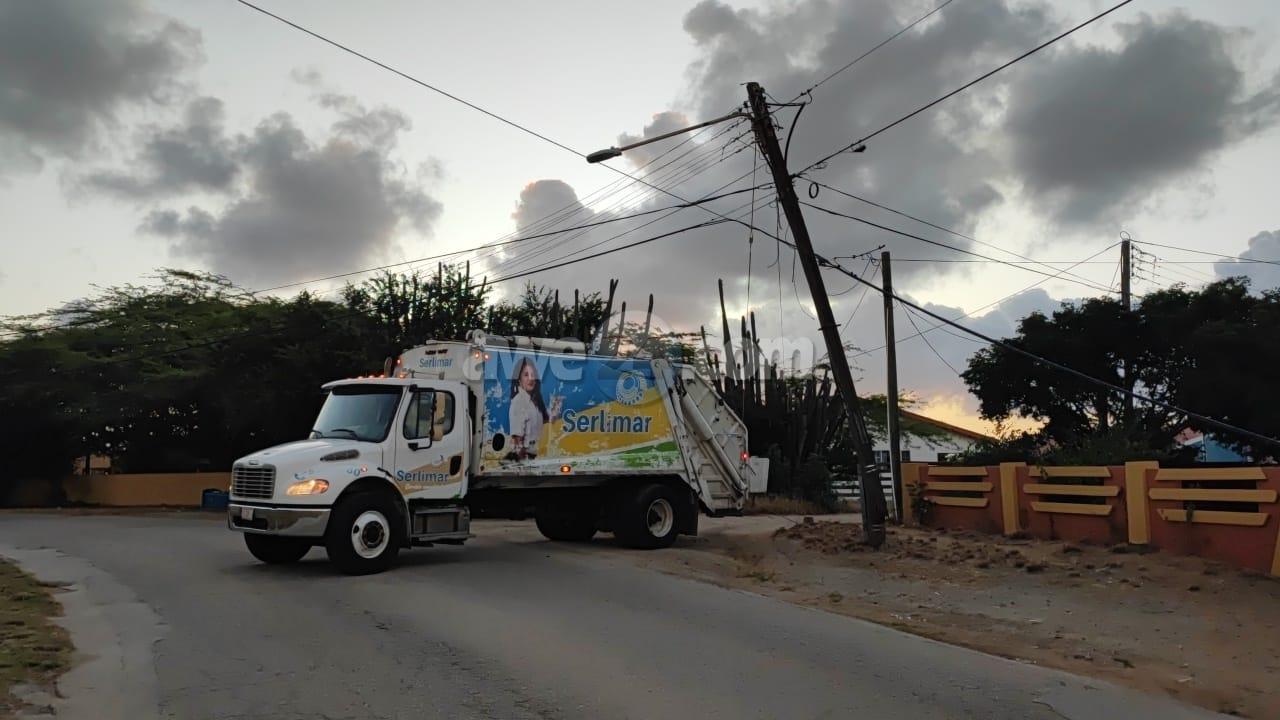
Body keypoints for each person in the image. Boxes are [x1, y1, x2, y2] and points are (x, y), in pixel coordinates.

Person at [508, 357, 561, 460]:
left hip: (539, 454)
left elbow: (545, 424)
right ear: (519, 379)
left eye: (533, 375)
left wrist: (555, 409)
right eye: (526, 375)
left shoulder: (534, 401)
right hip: (528, 457)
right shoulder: (519, 402)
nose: (531, 378)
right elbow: (517, 440)